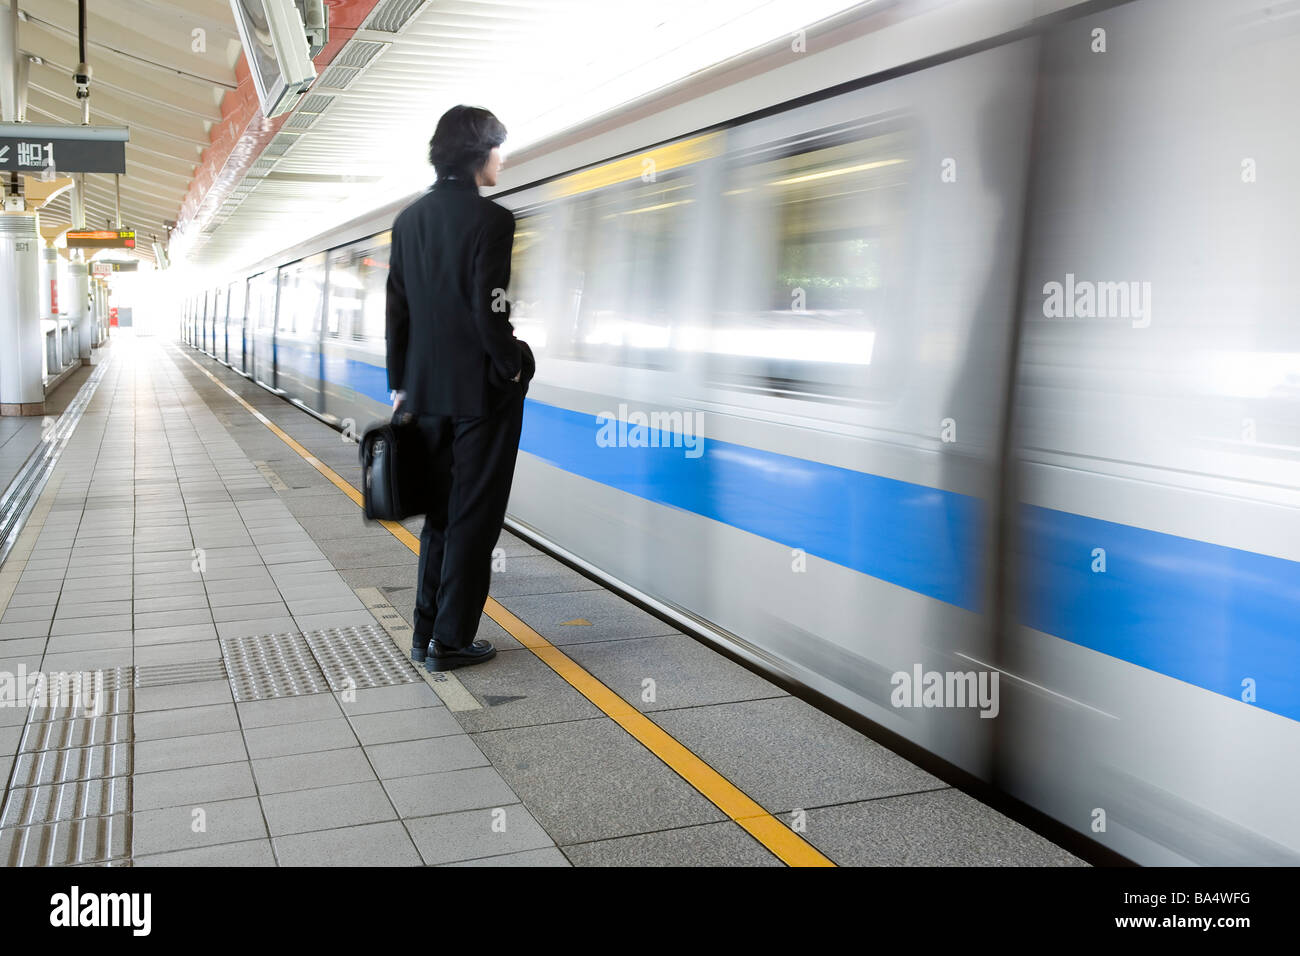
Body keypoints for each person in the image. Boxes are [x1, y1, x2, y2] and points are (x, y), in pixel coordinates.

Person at [385, 105, 535, 671]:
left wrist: (401, 382)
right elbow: (488, 305)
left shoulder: (410, 220)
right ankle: (451, 641)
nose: (501, 158)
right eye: (498, 147)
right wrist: (512, 364)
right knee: (474, 517)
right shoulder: (492, 221)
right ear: (480, 153)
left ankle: (426, 632)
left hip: (425, 393)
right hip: (479, 395)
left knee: (441, 517)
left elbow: (398, 310)